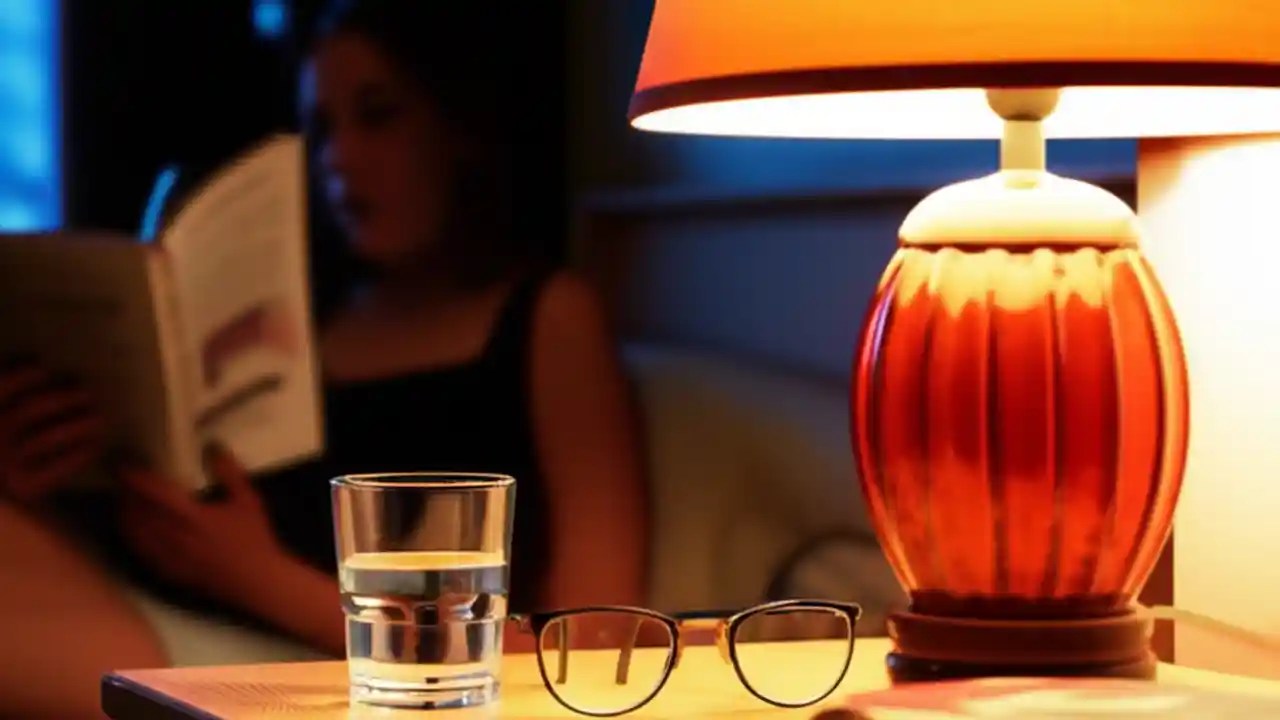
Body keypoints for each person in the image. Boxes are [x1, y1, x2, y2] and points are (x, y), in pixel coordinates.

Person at [0, 1, 648, 716]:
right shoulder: (311, 315)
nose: (339, 157)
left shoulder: (547, 314)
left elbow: (593, 637)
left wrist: (255, 577)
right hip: (156, 604)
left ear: (457, 128)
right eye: (323, 128)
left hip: (285, 657)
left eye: (378, 116)